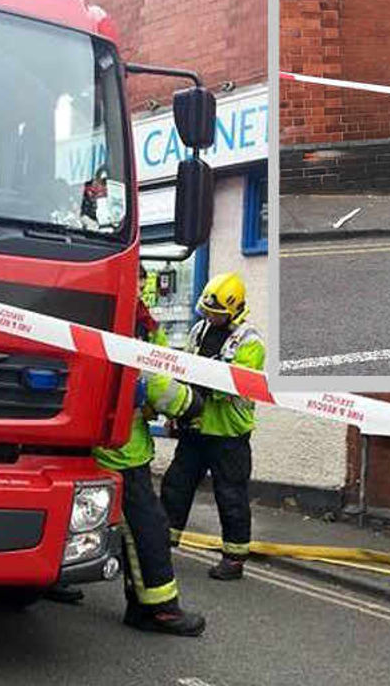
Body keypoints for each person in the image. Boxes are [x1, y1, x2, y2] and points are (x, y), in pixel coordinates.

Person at [87, 295, 206, 636]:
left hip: (89, 450)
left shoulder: (93, 323)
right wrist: (192, 401)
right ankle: (159, 610)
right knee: (147, 531)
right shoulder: (129, 337)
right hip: (121, 455)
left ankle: (56, 586)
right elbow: (170, 393)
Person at [157, 272, 265, 581]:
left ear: (235, 309)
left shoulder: (250, 342)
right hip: (195, 428)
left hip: (229, 434)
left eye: (216, 313)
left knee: (231, 496)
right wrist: (177, 409)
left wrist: (201, 383)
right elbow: (185, 369)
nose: (211, 317)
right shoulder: (199, 330)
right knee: (175, 488)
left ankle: (234, 558)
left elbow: (234, 385)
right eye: (207, 311)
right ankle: (162, 545)